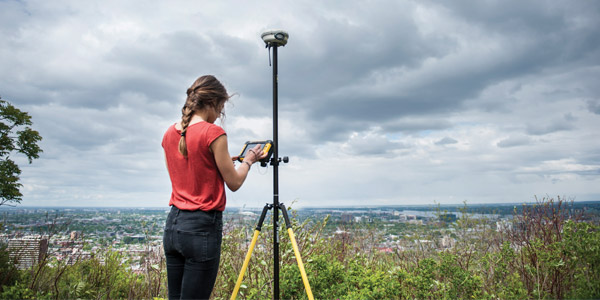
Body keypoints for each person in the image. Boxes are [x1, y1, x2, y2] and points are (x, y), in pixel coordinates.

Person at [161, 75, 266, 299]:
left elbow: (188, 172)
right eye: (220, 108)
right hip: (201, 229)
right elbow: (234, 182)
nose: (219, 114)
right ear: (211, 102)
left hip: (173, 226)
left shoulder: (169, 134)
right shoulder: (213, 133)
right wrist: (248, 161)